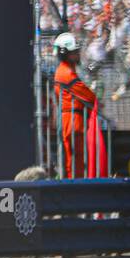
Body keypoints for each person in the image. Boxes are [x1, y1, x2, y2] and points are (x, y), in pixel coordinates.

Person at [52, 32, 96, 179]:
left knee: (76, 157)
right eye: (74, 52)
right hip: (72, 120)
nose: (77, 54)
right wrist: (96, 98)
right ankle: (74, 186)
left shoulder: (68, 70)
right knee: (74, 158)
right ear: (65, 53)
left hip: (73, 119)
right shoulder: (65, 72)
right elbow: (88, 95)